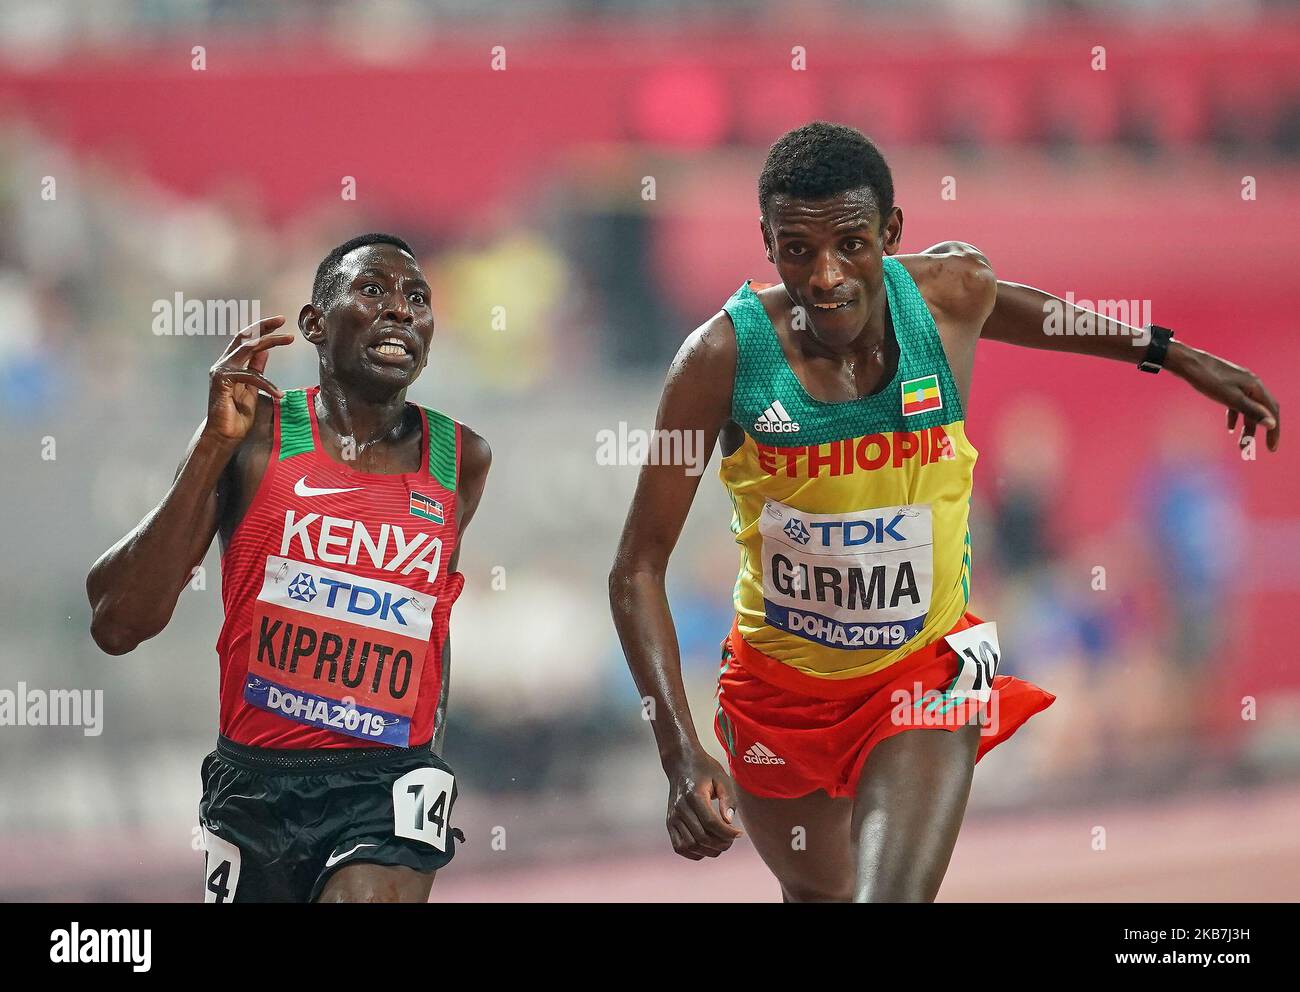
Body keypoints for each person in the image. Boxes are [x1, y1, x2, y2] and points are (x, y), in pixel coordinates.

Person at [608, 122, 1280, 902]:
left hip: (925, 672)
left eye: (852, 245)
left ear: (891, 233)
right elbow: (637, 569)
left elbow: (1025, 309)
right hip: (781, 698)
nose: (825, 277)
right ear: (766, 242)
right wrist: (679, 751)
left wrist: (1176, 355)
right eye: (796, 250)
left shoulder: (950, 295)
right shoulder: (719, 361)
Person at [87, 233, 491, 903]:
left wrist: (426, 763)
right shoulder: (251, 435)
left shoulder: (460, 458)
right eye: (372, 291)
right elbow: (118, 623)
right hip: (254, 786)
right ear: (313, 324)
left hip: (388, 781)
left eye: (417, 299)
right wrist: (212, 444)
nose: (400, 311)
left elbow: (426, 620)